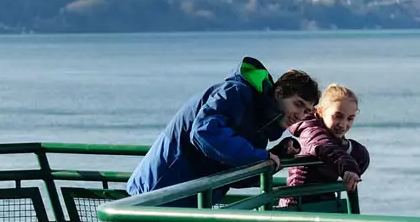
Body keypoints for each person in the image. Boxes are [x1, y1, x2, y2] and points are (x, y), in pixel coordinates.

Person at [125, 58, 321, 205]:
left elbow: (235, 173)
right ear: (279, 93)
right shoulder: (235, 93)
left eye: (306, 111)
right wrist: (259, 156)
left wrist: (275, 156)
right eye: (298, 104)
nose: (300, 114)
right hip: (160, 191)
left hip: (189, 199)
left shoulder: (260, 124)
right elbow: (204, 133)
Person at [282, 84, 371, 200]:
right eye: (337, 116)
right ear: (320, 111)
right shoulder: (311, 132)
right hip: (298, 203)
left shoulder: (336, 140)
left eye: (350, 118)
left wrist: (358, 154)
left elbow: (343, 151)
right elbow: (325, 147)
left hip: (323, 200)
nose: (343, 124)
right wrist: (348, 168)